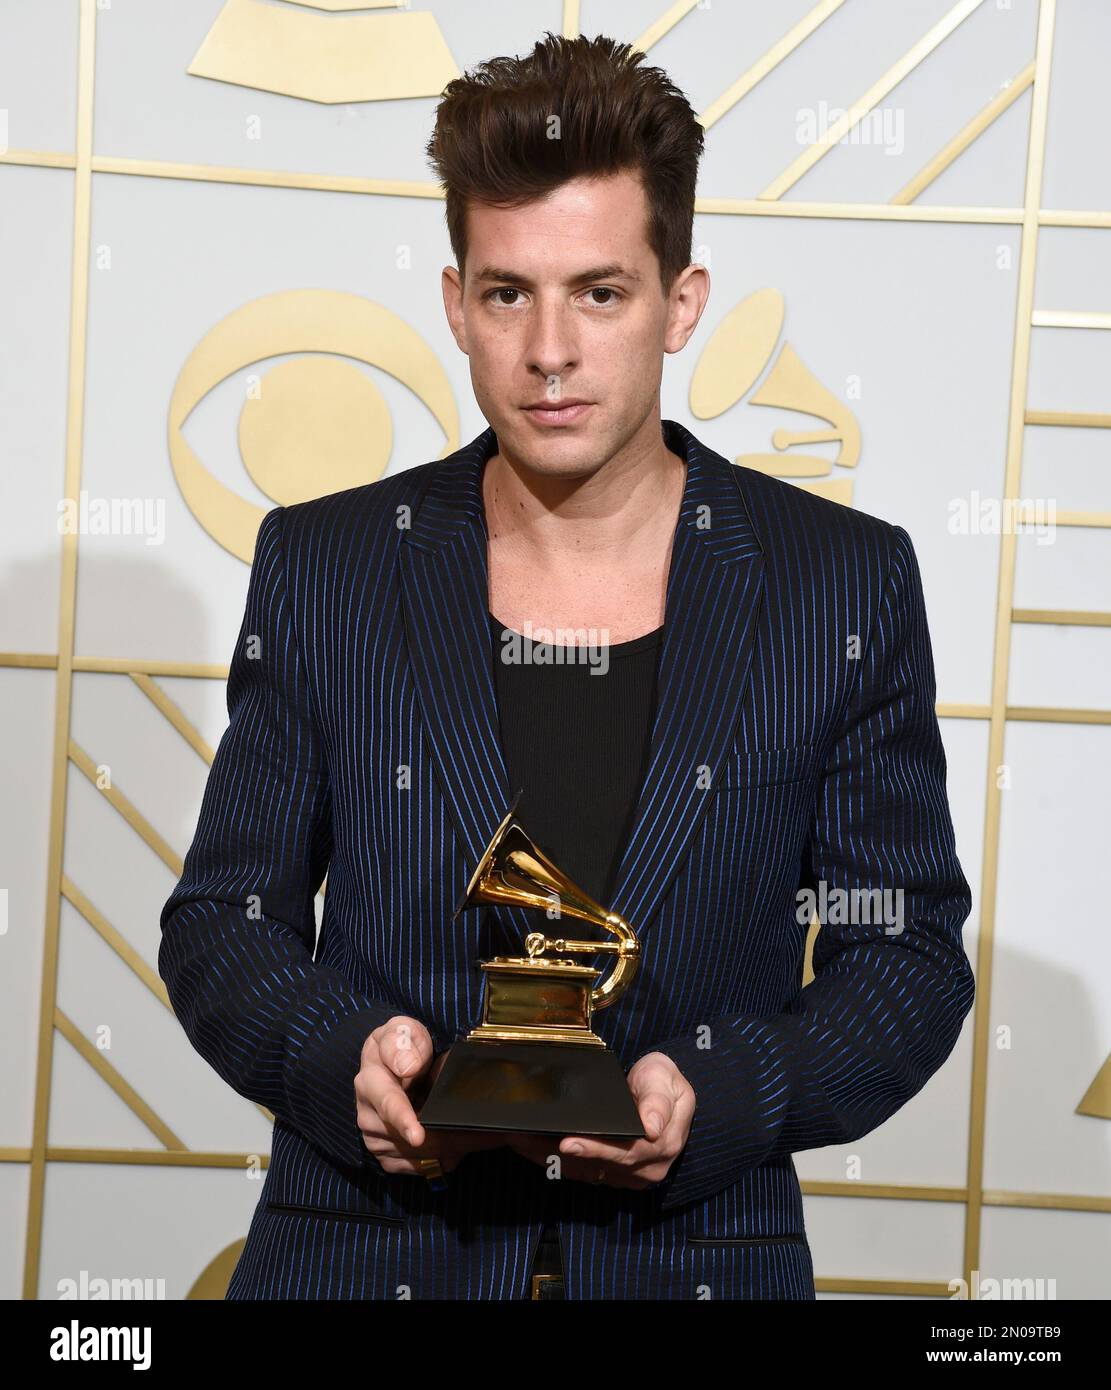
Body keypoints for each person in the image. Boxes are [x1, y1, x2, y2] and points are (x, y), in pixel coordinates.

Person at [159, 32, 975, 1301]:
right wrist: (343, 1060)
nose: (549, 350)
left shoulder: (842, 580)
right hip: (361, 1256)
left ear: (680, 302)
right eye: (506, 294)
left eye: (599, 292)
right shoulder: (325, 565)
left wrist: (723, 1089)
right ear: (455, 303)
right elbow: (225, 922)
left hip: (693, 1264)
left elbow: (905, 954)